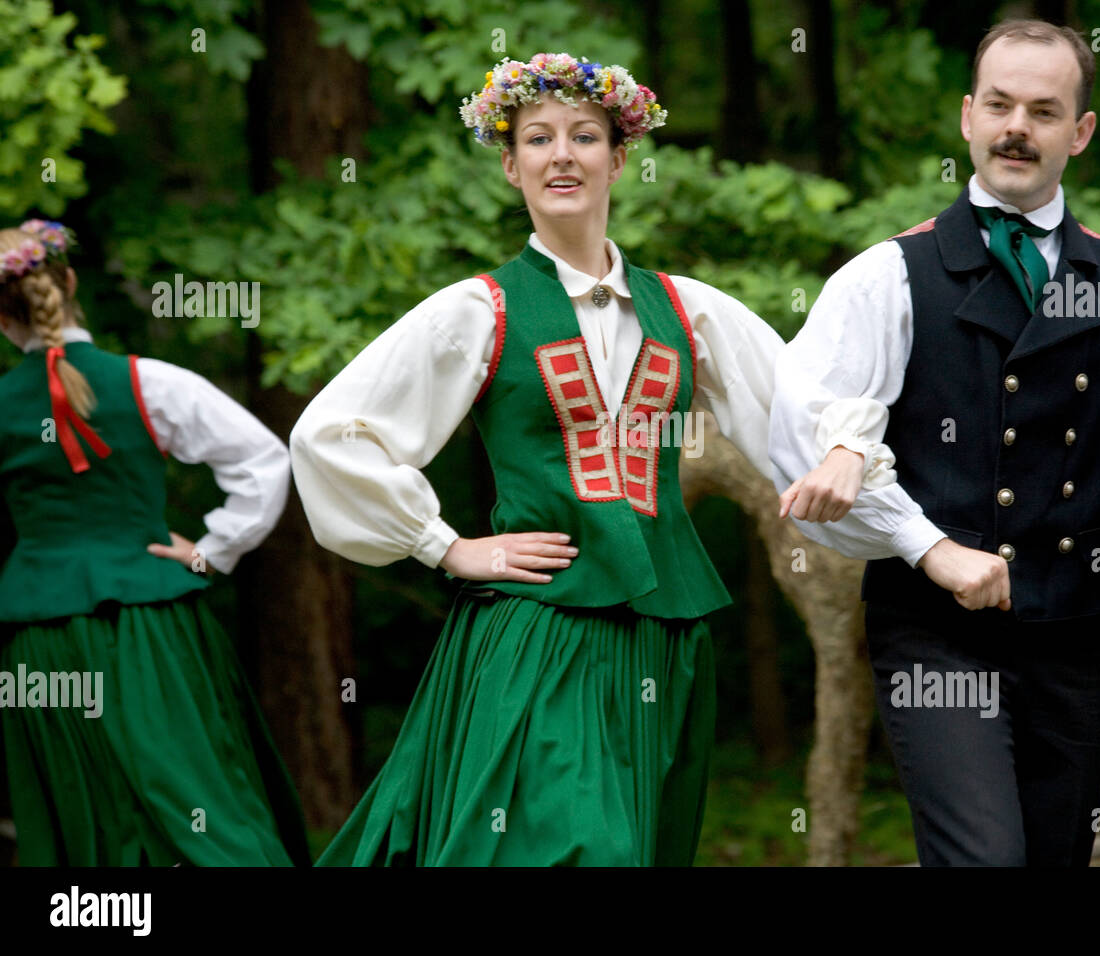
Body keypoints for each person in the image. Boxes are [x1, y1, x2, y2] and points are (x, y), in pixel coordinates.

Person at [290, 53, 836, 866]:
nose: (562, 154)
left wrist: (885, 500)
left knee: (641, 848)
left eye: (585, 136)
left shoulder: (690, 309)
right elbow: (330, 434)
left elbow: (806, 421)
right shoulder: (479, 310)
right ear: (511, 166)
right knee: (578, 849)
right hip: (539, 633)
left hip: (662, 640)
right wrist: (447, 546)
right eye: (538, 138)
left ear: (619, 158)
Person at [769, 19, 1100, 866]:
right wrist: (928, 548)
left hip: (1074, 627)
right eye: (999, 105)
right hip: (935, 631)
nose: (1016, 127)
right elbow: (806, 427)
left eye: (1044, 111)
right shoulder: (890, 275)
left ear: (1079, 134)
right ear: (968, 117)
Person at [0, 220, 308, 865]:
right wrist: (210, 550)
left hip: (40, 640)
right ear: (70, 281)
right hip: (150, 625)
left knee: (85, 812)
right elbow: (263, 459)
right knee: (196, 793)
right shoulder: (150, 381)